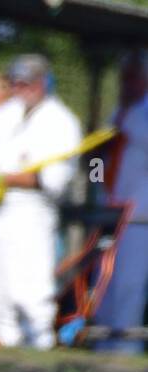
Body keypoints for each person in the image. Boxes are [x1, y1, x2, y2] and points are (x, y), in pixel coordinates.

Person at [0, 54, 81, 349]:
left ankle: (40, 343)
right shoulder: (5, 114)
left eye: (27, 82)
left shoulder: (61, 122)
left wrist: (5, 178)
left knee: (30, 287)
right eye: (16, 82)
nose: (21, 88)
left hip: (32, 213)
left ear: (43, 83)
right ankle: (2, 338)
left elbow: (53, 179)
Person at [94, 51, 148, 353]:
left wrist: (126, 122)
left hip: (140, 215)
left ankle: (126, 349)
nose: (127, 84)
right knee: (105, 280)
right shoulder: (118, 112)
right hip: (111, 209)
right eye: (124, 78)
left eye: (133, 77)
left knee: (130, 281)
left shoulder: (141, 114)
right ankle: (103, 345)